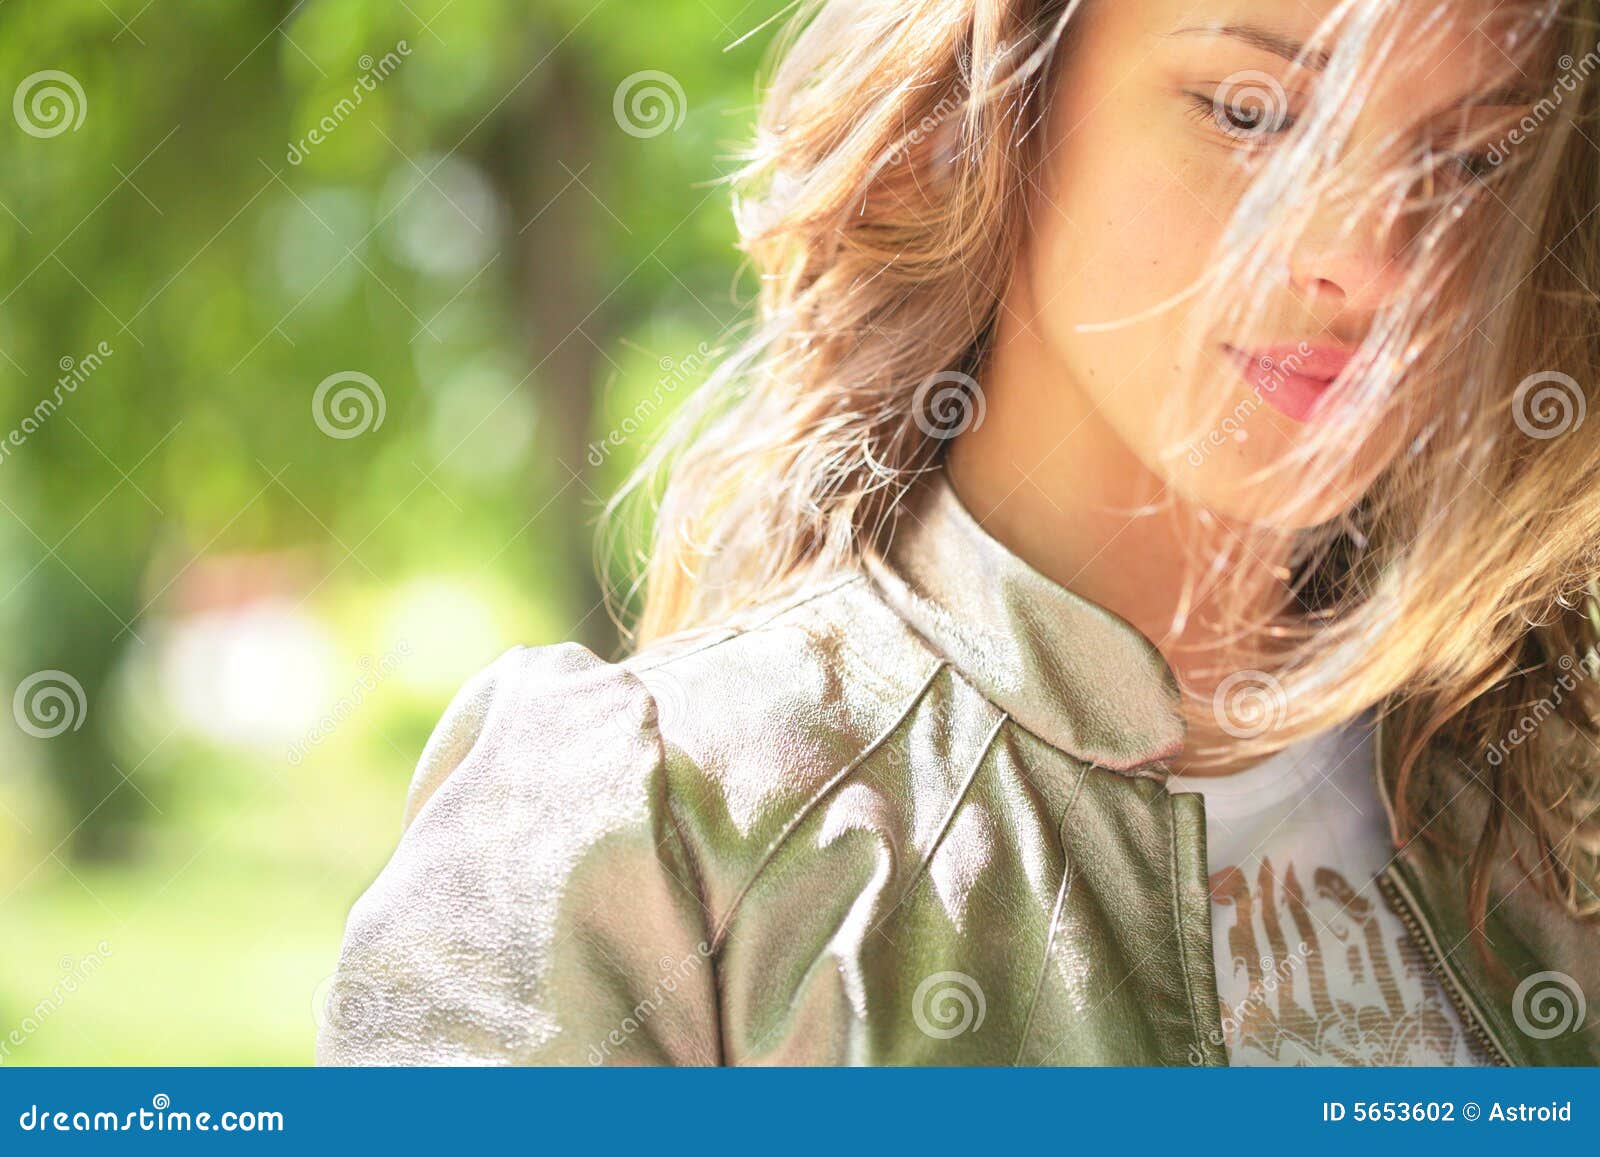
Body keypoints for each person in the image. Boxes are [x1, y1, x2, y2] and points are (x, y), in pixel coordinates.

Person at [319, 0, 1600, 1066]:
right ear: (998, 105)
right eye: (1251, 112)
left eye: (1473, 159)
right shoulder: (643, 846)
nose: (1370, 258)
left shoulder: (1559, 824)